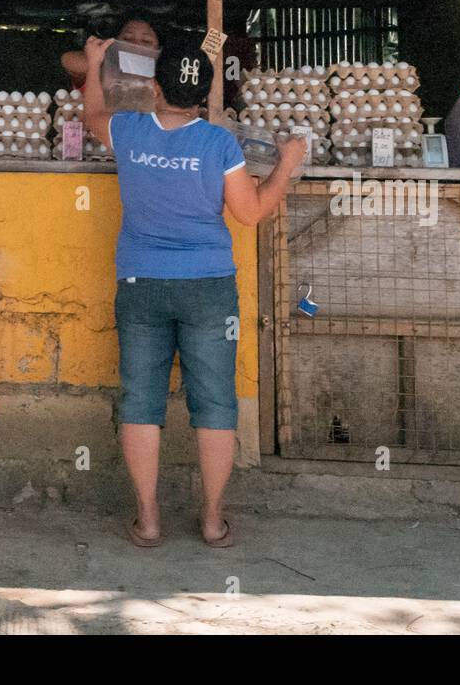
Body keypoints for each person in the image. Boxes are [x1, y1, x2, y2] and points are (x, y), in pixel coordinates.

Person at [80, 35, 306, 549]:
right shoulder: (218, 143)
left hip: (140, 285)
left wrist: (95, 63)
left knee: (141, 402)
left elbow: (92, 112)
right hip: (208, 289)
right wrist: (286, 164)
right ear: (205, 97)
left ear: (156, 90)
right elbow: (249, 213)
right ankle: (210, 520)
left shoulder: (130, 130)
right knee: (215, 405)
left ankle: (149, 521)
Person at [61, 15, 161, 90]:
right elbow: (68, 60)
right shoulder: (100, 70)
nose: (136, 45)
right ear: (113, 42)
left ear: (159, 49)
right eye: (127, 39)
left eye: (146, 41)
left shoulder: (166, 78)